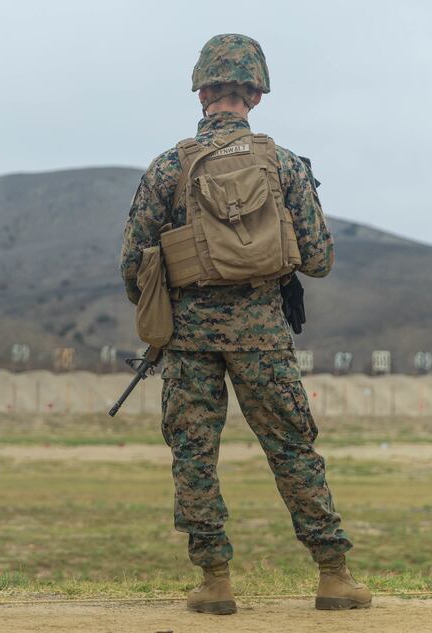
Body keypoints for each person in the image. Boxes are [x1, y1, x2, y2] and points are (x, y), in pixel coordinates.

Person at [120, 33, 371, 615]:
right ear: (255, 96)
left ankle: (215, 581)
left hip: (188, 339)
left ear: (202, 91)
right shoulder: (282, 165)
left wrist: (165, 310)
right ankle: (333, 575)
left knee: (194, 453)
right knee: (292, 448)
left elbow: (133, 261)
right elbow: (319, 259)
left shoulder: (167, 167)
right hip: (264, 337)